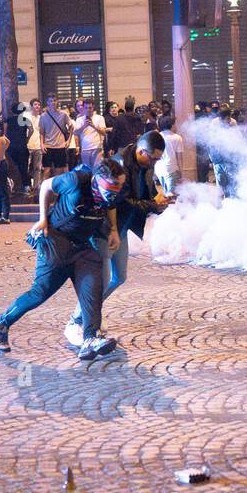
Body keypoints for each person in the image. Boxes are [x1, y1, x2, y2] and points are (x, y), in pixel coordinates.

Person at [0, 158, 126, 361]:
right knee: (40, 292)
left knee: (93, 288)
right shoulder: (75, 181)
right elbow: (46, 186)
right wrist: (43, 218)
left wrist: (113, 229)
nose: (113, 194)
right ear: (97, 180)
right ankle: (2, 323)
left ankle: (90, 338)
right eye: (110, 189)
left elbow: (110, 203)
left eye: (118, 189)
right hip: (56, 240)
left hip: (83, 245)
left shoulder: (110, 195)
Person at [63, 131, 171, 349]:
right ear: (142, 151)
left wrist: (159, 204)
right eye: (153, 158)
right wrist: (152, 205)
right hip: (103, 228)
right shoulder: (119, 165)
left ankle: (88, 317)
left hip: (120, 228)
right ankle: (77, 321)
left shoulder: (145, 167)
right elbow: (120, 201)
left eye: (158, 159)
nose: (155, 163)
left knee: (119, 277)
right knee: (99, 281)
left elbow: (143, 199)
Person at [38, 95, 73, 182]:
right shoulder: (43, 116)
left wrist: (68, 141)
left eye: (54, 100)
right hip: (48, 146)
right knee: (47, 170)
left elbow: (71, 127)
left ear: (57, 101)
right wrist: (42, 144)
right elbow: (42, 132)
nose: (53, 102)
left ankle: (58, 190)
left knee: (59, 170)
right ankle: (45, 191)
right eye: (50, 101)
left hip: (60, 146)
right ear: (47, 102)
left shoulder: (63, 114)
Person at [0, 133, 17, 225]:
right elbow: (8, 142)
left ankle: (5, 216)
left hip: (0, 165)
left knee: (3, 191)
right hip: (0, 165)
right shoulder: (1, 138)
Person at [155, 115, 184, 196]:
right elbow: (179, 158)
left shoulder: (157, 136)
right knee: (172, 195)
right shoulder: (177, 138)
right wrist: (181, 172)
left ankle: (167, 208)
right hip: (172, 168)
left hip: (159, 169)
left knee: (165, 192)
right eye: (175, 124)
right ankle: (171, 208)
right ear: (171, 125)